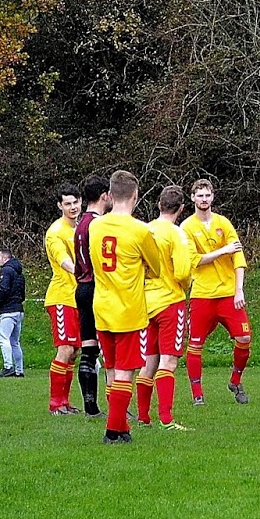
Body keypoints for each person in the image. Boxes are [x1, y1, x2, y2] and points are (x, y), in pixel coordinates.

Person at [87, 169, 164, 444]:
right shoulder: (140, 230)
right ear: (135, 195)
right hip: (129, 309)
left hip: (102, 307)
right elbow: (156, 268)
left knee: (111, 369)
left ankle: (122, 429)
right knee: (125, 372)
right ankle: (111, 430)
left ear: (109, 194)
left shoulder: (95, 226)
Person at [181, 178, 252, 405]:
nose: (204, 199)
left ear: (213, 197)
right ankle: (197, 394)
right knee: (195, 344)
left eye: (207, 195)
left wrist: (238, 289)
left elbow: (238, 255)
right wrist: (223, 250)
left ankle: (235, 381)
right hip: (202, 294)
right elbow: (195, 261)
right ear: (192, 198)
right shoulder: (187, 227)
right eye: (199, 195)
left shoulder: (224, 223)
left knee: (244, 337)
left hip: (228, 293)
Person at [137, 185, 195, 431]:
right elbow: (183, 271)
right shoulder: (177, 234)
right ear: (181, 209)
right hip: (170, 302)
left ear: (158, 205)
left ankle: (143, 416)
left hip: (144, 303)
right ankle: (166, 419)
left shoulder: (143, 230)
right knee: (168, 360)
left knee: (147, 361)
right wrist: (185, 283)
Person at [73, 174, 111, 416]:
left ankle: (90, 407)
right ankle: (119, 404)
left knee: (88, 349)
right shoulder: (98, 224)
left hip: (82, 287)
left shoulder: (79, 223)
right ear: (105, 195)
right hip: (97, 287)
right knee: (110, 348)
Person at [43, 183, 83, 414]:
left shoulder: (80, 228)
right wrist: (82, 271)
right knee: (65, 349)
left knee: (74, 352)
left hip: (77, 299)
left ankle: (65, 403)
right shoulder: (56, 231)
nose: (72, 207)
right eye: (67, 203)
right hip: (62, 298)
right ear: (60, 206)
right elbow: (63, 260)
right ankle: (55, 403)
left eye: (75, 202)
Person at [0, 249, 26, 377]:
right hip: (18, 310)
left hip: (8, 310)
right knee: (15, 342)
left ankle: (8, 366)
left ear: (5, 258)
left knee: (3, 339)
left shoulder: (6, 271)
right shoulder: (19, 273)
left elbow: (4, 289)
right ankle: (19, 370)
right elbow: (22, 294)